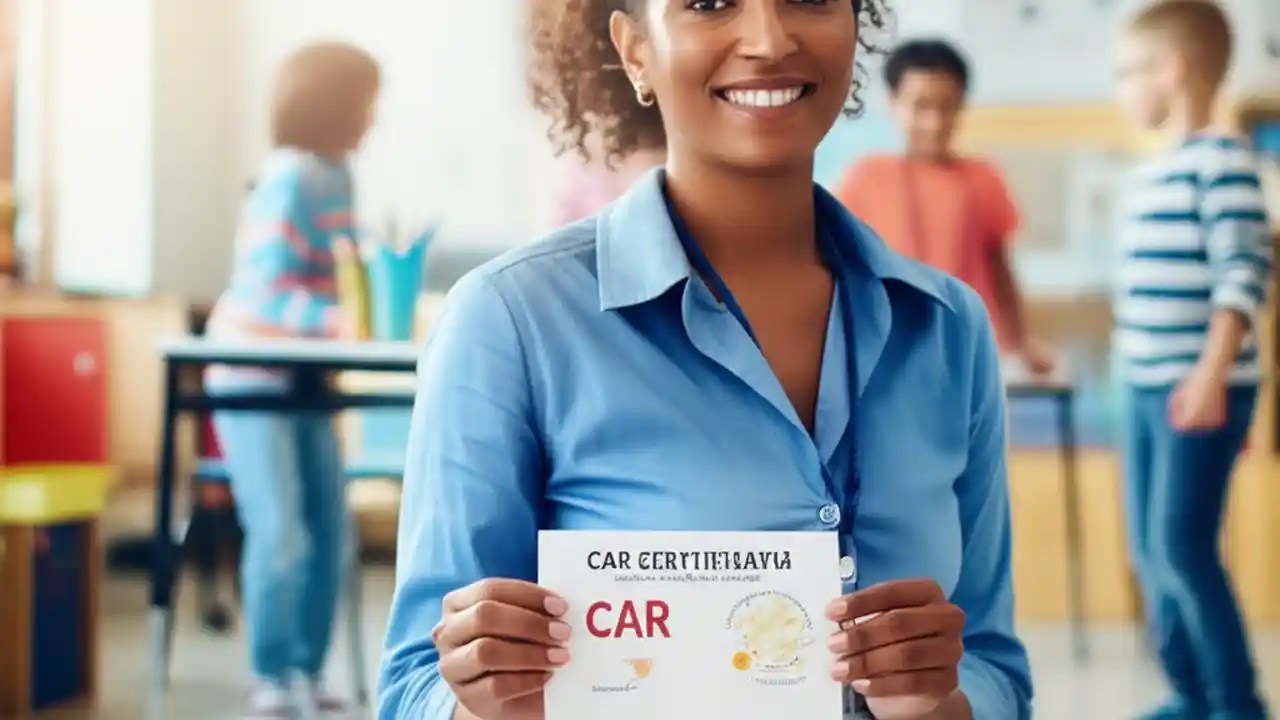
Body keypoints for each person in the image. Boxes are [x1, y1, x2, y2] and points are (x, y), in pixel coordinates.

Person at [380, 1, 1032, 718]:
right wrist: (483, 703)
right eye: (710, 3)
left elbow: (994, 663)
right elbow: (416, 685)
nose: (768, 38)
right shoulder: (510, 321)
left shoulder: (946, 327)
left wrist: (941, 705)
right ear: (634, 50)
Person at [205, 41, 379, 718]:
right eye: (366, 102)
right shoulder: (287, 179)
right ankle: (271, 675)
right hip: (251, 372)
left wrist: (346, 313)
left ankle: (304, 671)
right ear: (334, 104)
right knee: (280, 530)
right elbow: (262, 296)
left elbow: (328, 275)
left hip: (305, 376)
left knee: (330, 531)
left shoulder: (339, 177)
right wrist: (338, 320)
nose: (374, 117)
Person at [1114, 3, 1273, 719]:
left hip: (1197, 388)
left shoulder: (1225, 161)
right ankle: (1192, 694)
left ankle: (1237, 705)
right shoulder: (1154, 172)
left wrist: (1210, 373)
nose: (1123, 90)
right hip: (1142, 386)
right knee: (1151, 554)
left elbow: (1244, 274)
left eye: (1128, 74)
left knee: (1182, 548)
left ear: (1170, 70)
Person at [834, 40, 1055, 377]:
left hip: (963, 349)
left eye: (947, 107)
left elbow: (1000, 269)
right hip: (885, 351)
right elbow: (836, 266)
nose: (934, 122)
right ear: (892, 103)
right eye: (920, 107)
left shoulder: (982, 178)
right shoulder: (865, 177)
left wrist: (1019, 342)